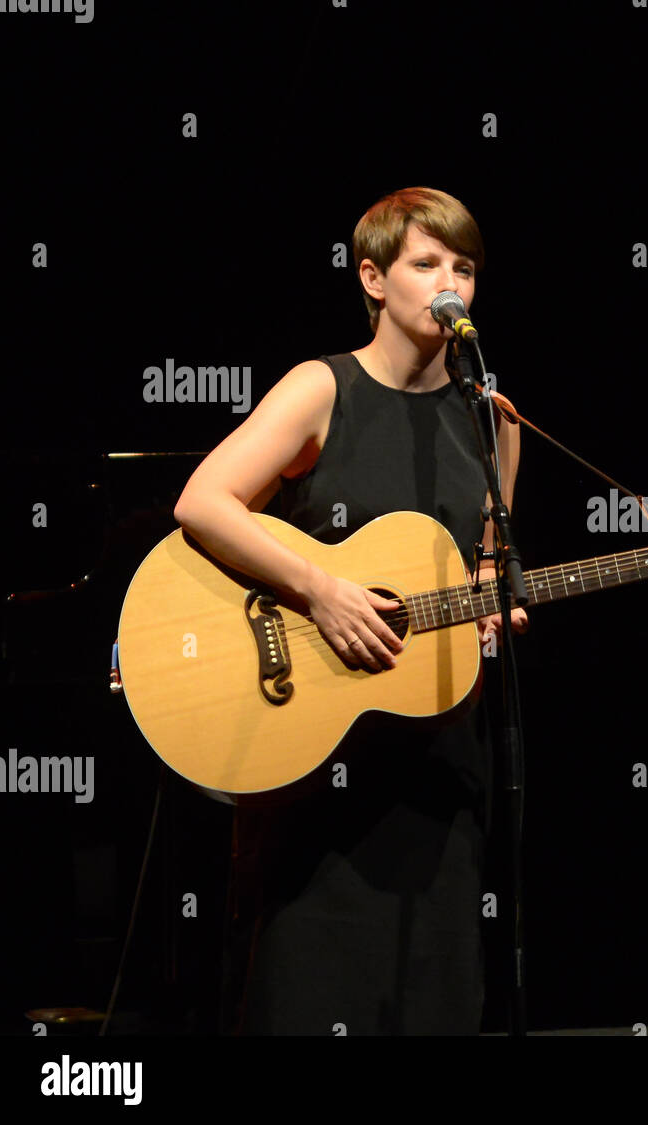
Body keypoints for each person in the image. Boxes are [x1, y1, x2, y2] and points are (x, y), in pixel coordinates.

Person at [173, 186, 528, 1034]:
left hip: (437, 758)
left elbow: (488, 568)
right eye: (428, 263)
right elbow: (204, 502)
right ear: (373, 278)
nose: (453, 283)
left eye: (466, 267)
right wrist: (321, 589)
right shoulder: (320, 388)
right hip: (316, 751)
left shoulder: (493, 424)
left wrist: (492, 615)